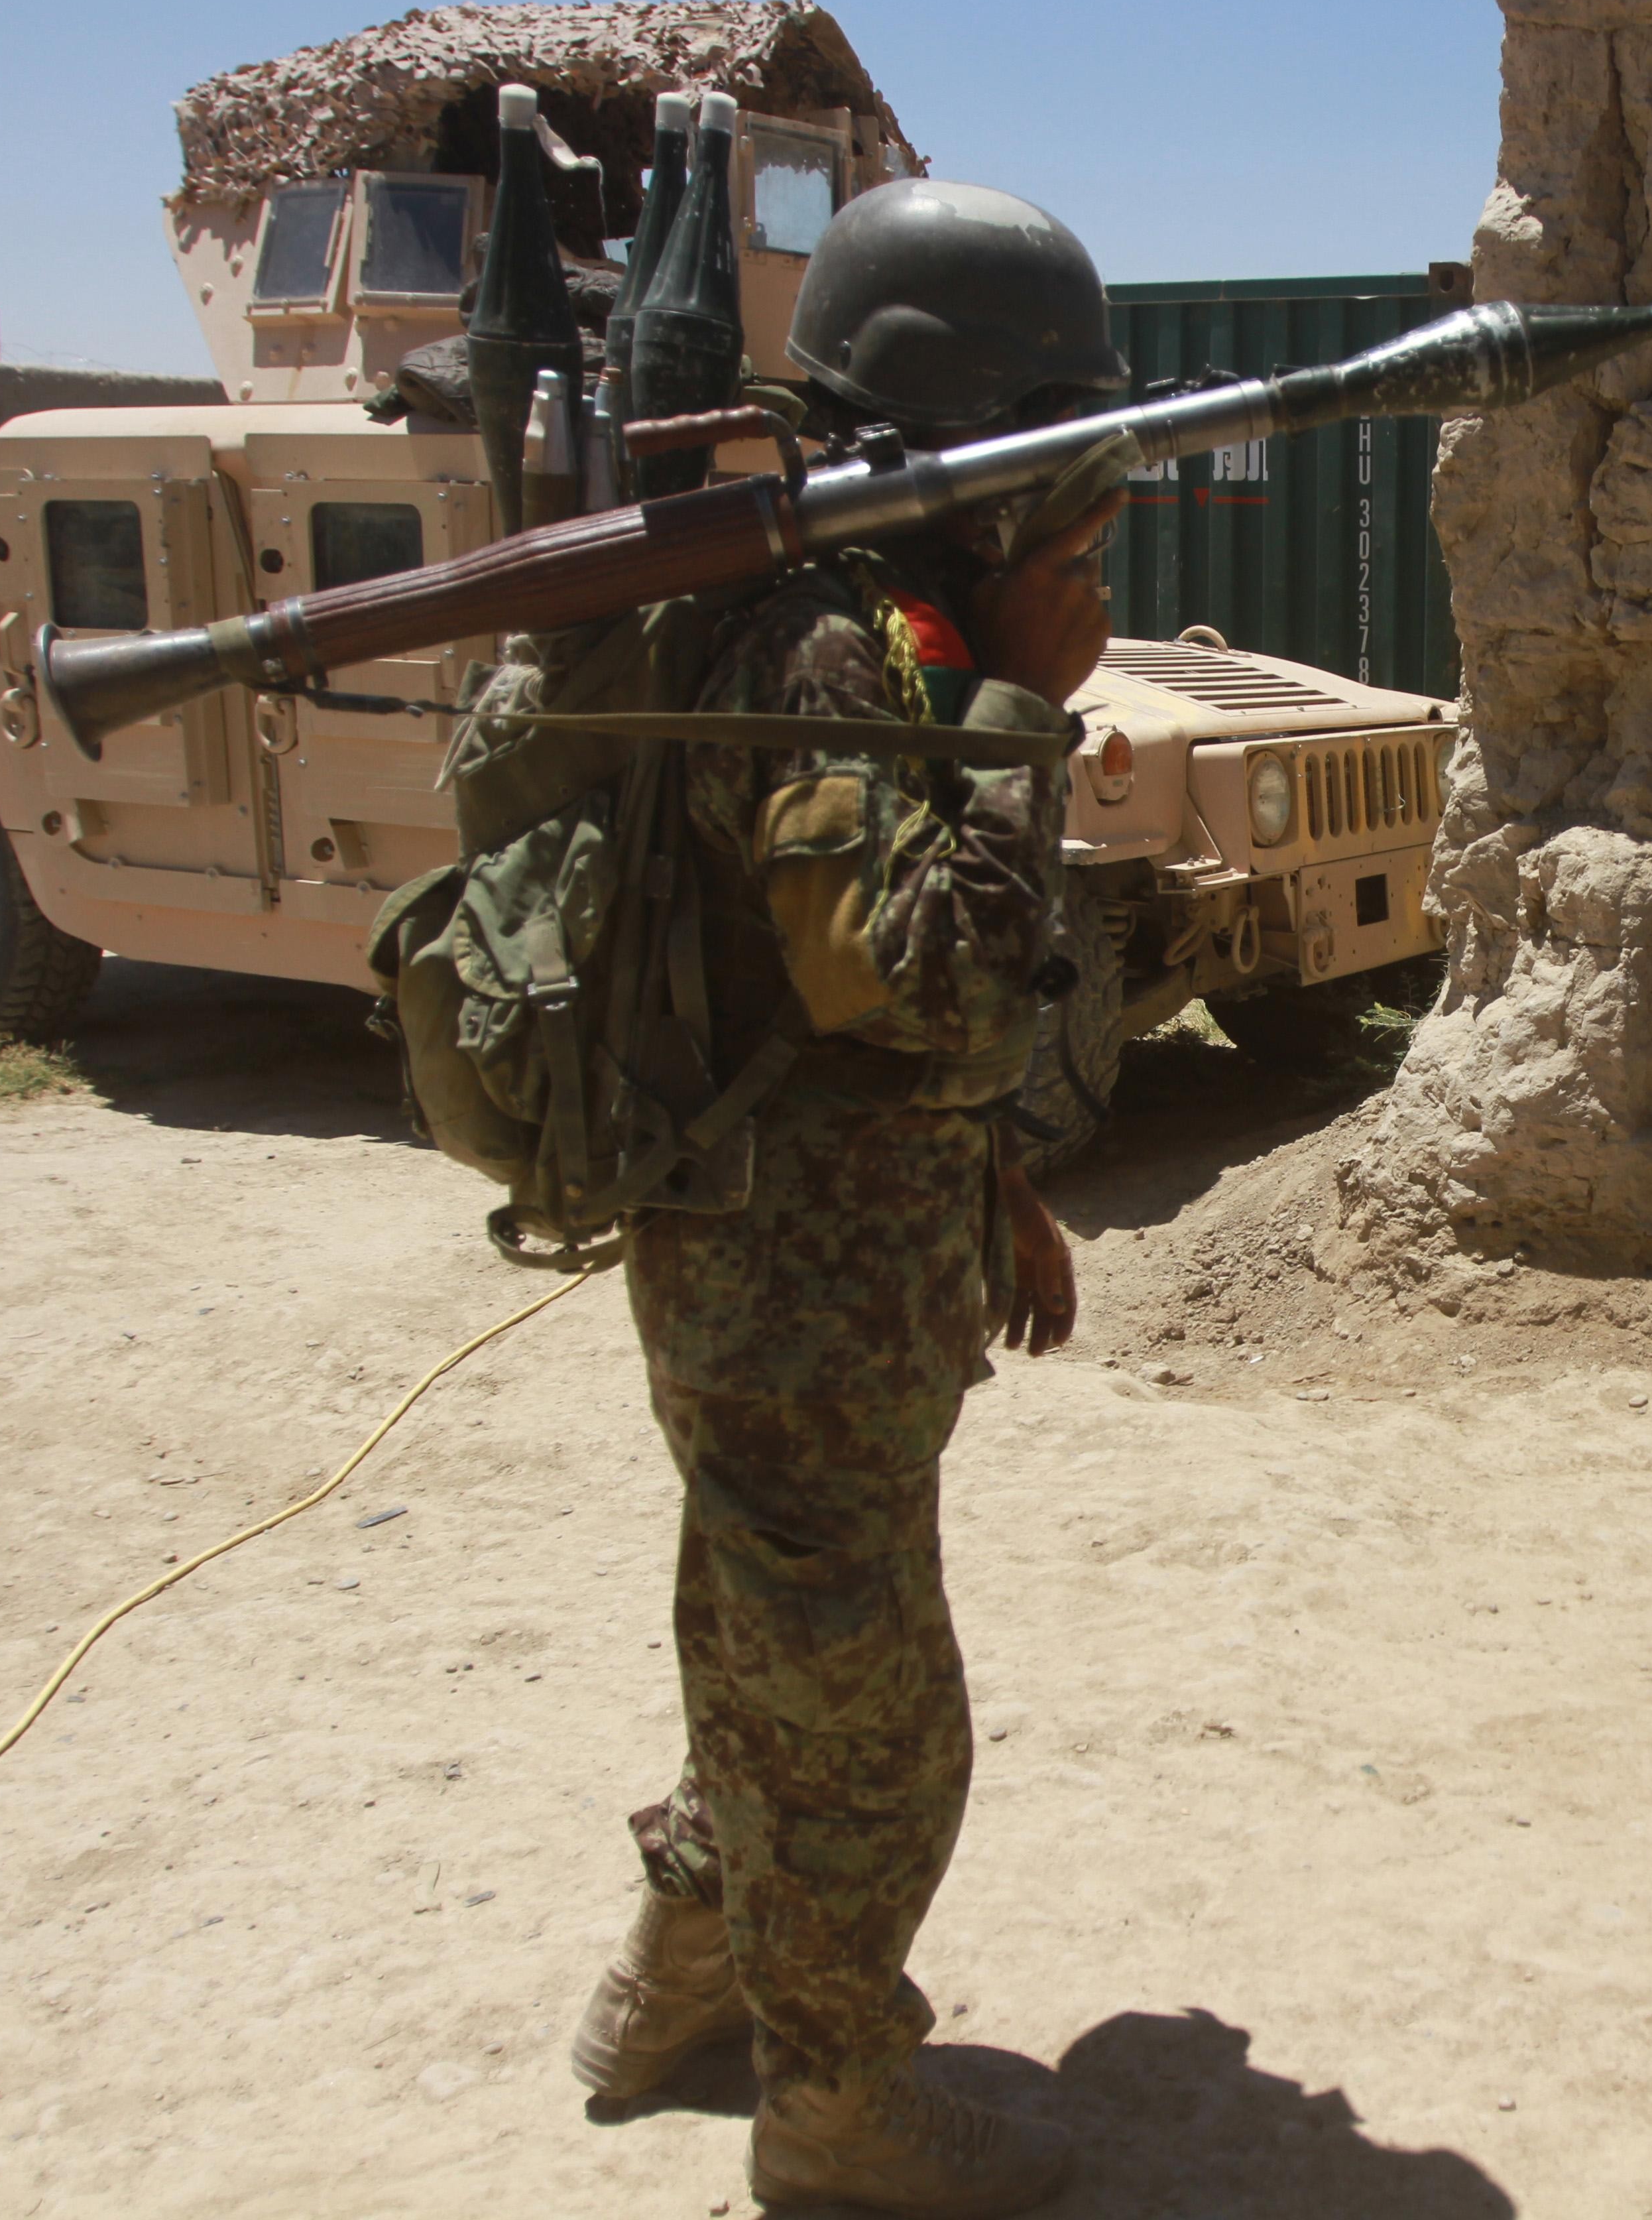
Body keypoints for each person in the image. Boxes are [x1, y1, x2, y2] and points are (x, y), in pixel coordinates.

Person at [563, 178, 1128, 2217]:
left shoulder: (856, 617)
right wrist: (1025, 709)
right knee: (875, 1730)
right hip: (792, 1298)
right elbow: (918, 980)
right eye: (1056, 453)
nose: (1084, 516)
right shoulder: (825, 645)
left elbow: (872, 1029)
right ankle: (835, 2110)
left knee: (774, 1654)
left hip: (822, 1265)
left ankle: (677, 1981)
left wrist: (1001, 1191)